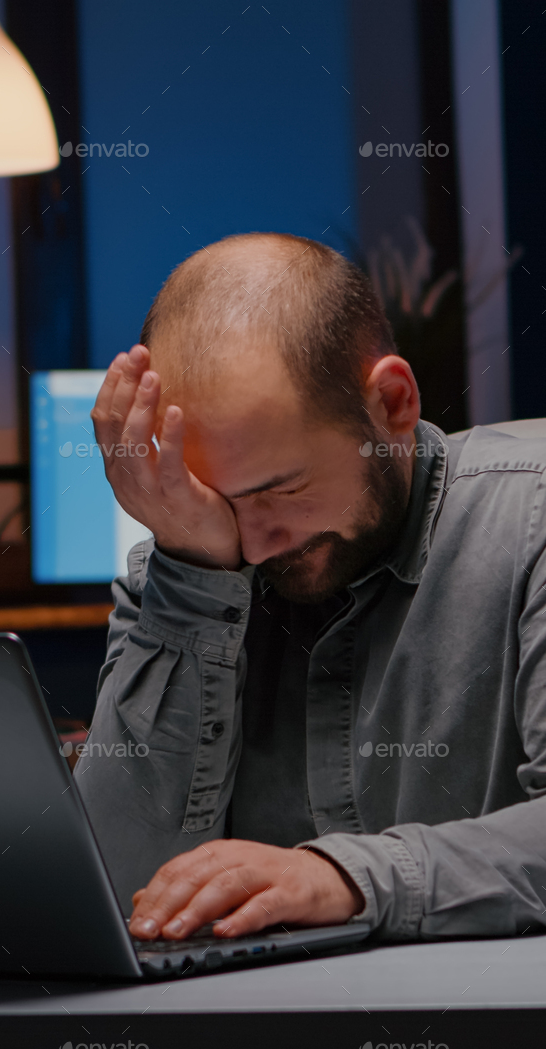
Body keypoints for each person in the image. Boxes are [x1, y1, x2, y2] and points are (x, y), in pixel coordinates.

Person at [75, 231, 546, 945]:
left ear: (391, 402)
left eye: (280, 489)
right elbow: (116, 891)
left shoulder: (531, 518)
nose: (256, 545)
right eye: (219, 501)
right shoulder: (191, 565)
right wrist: (196, 573)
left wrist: (343, 877)